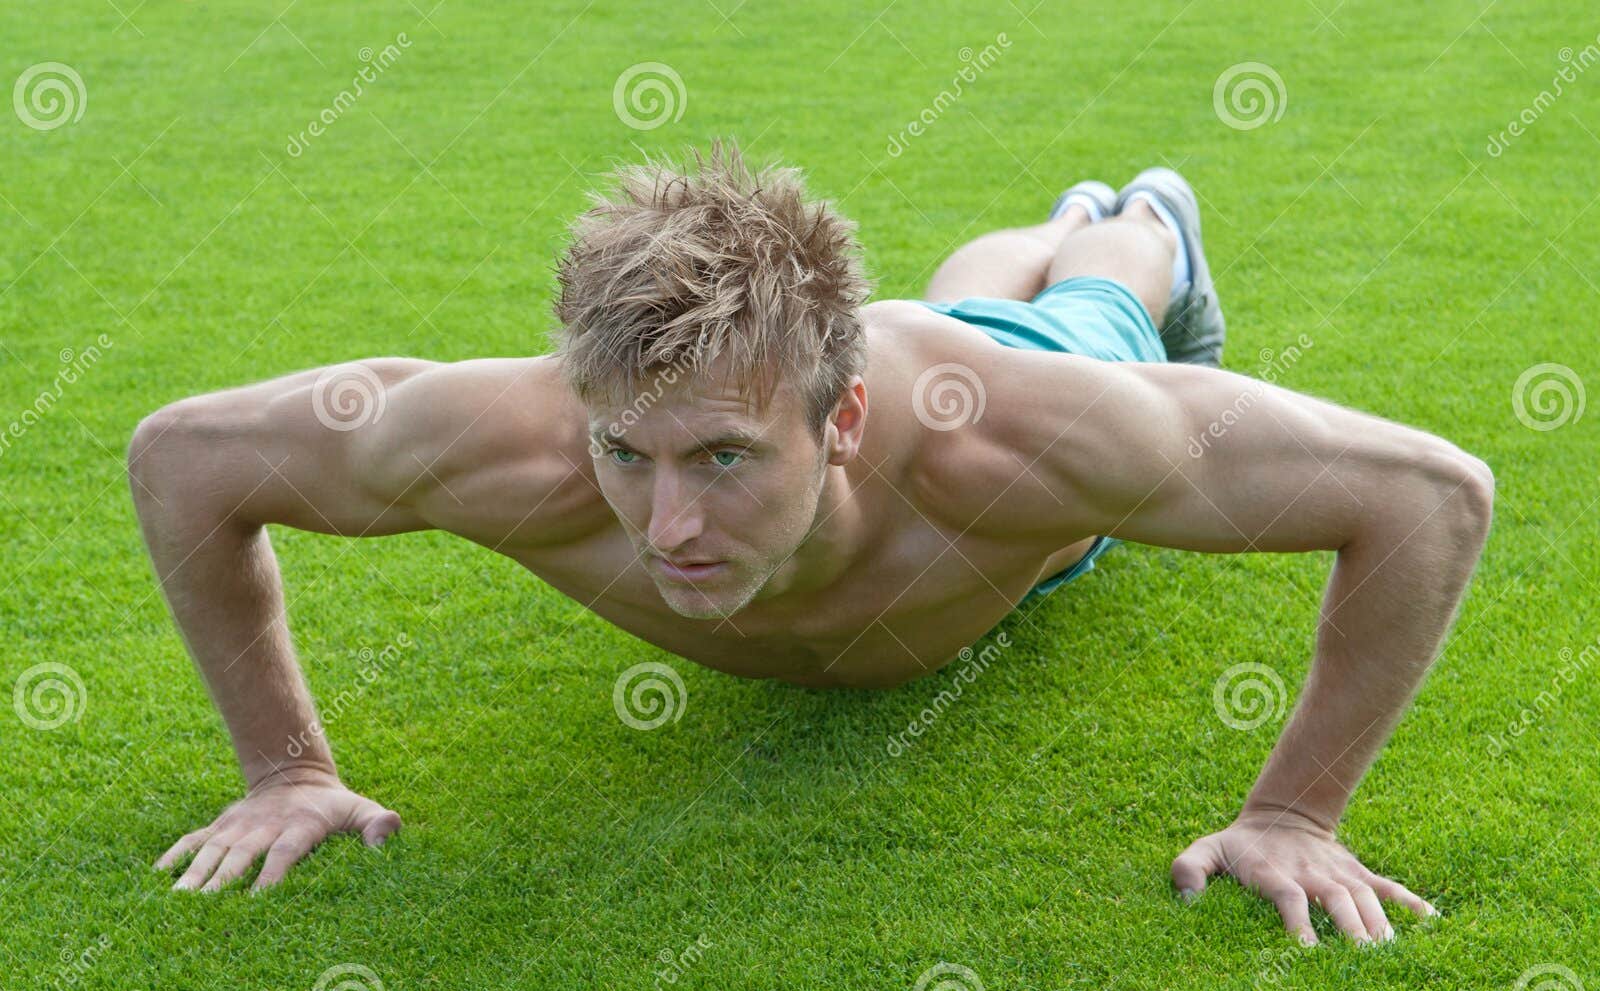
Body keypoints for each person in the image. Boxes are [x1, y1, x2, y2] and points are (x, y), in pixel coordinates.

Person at [129, 140, 1491, 945]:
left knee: (1092, 313)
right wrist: (285, 771)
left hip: (1017, 439)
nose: (667, 527)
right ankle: (1068, 214)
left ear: (841, 421)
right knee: (949, 299)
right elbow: (183, 458)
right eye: (625, 454)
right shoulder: (488, 444)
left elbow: (1429, 496)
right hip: (881, 369)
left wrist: (1295, 812)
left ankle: (1137, 222)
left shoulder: (1026, 441)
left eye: (721, 458)